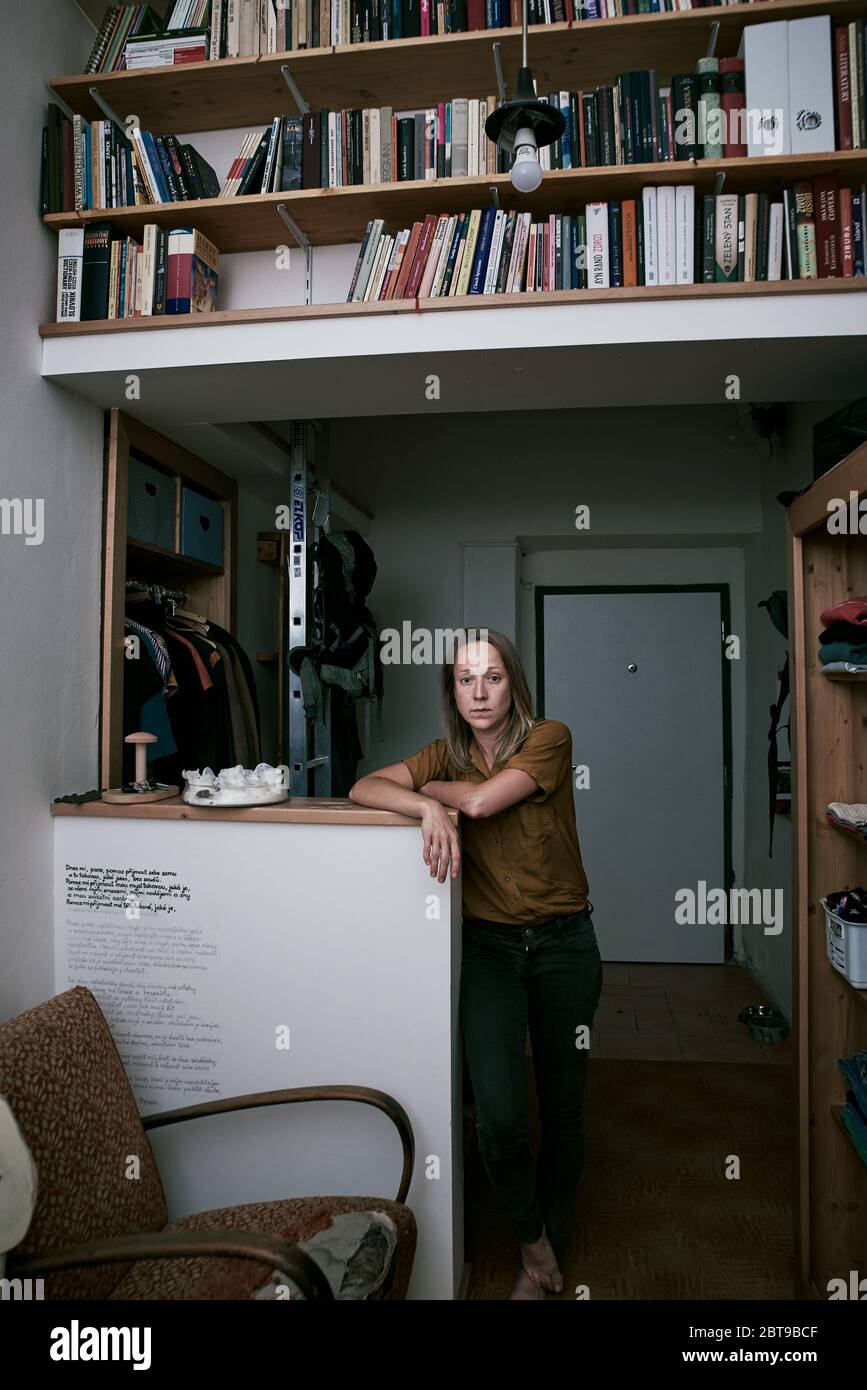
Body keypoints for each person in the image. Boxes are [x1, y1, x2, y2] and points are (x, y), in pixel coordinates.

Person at [348, 628, 602, 1300]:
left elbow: (486, 801)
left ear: (512, 682)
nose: (479, 691)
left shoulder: (548, 737)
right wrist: (424, 802)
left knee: (563, 1108)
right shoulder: (444, 753)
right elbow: (362, 787)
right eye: (465, 679)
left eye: (491, 677)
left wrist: (437, 790)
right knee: (495, 1111)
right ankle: (532, 1238)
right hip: (487, 948)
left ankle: (547, 1257)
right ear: (451, 690)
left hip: (564, 946)